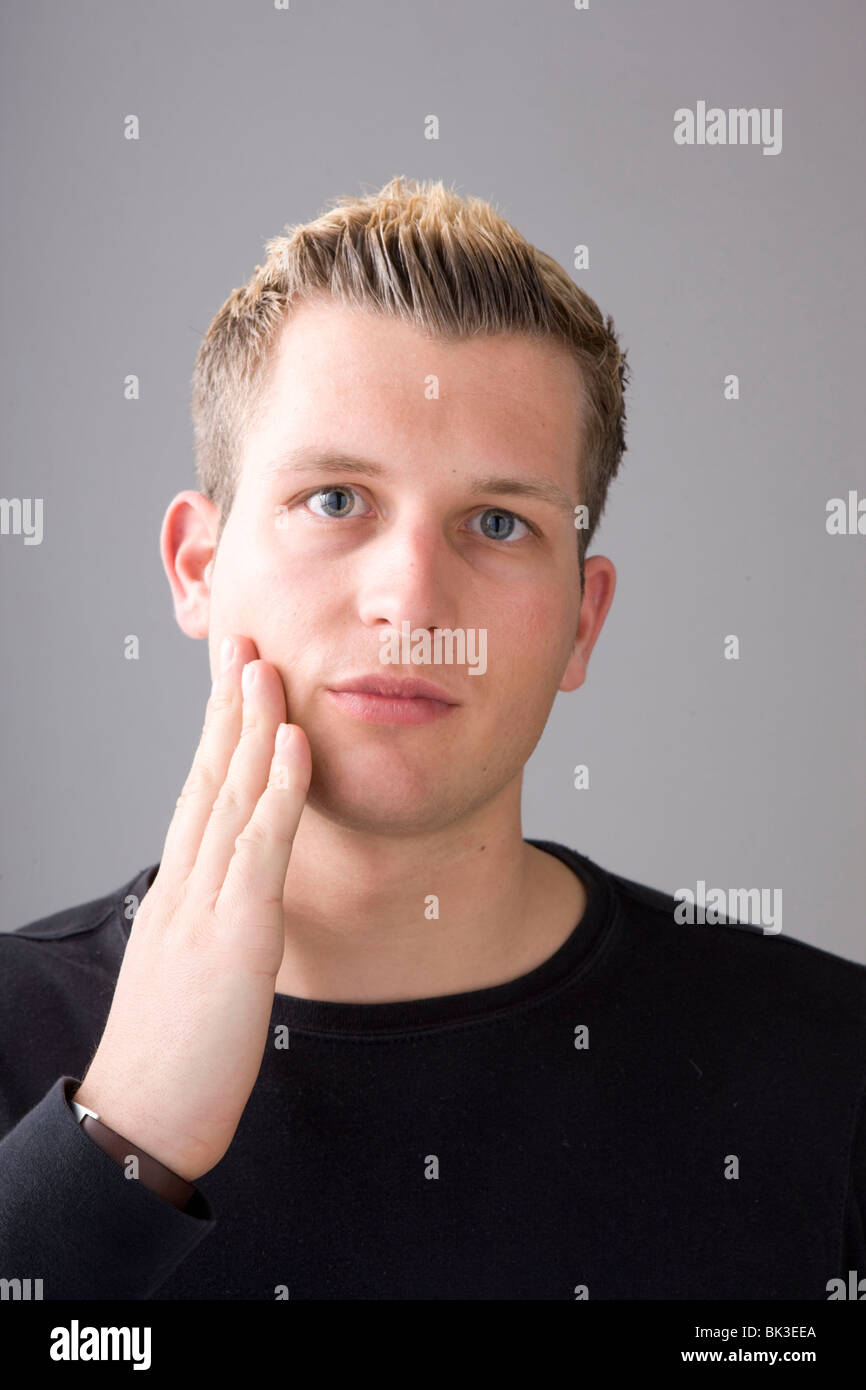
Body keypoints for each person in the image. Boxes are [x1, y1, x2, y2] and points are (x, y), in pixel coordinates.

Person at [1, 177, 863, 1302]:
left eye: (497, 523)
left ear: (580, 621)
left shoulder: (830, 1065)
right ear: (197, 568)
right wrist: (124, 1138)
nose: (410, 604)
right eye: (334, 500)